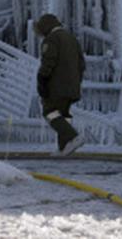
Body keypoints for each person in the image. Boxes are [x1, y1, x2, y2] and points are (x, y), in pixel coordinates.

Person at [35, 13, 86, 156]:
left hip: (57, 87)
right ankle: (64, 148)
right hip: (72, 86)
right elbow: (82, 64)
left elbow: (48, 63)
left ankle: (73, 137)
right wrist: (76, 81)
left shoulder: (51, 39)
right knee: (63, 115)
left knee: (50, 113)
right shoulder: (71, 38)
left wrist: (42, 81)